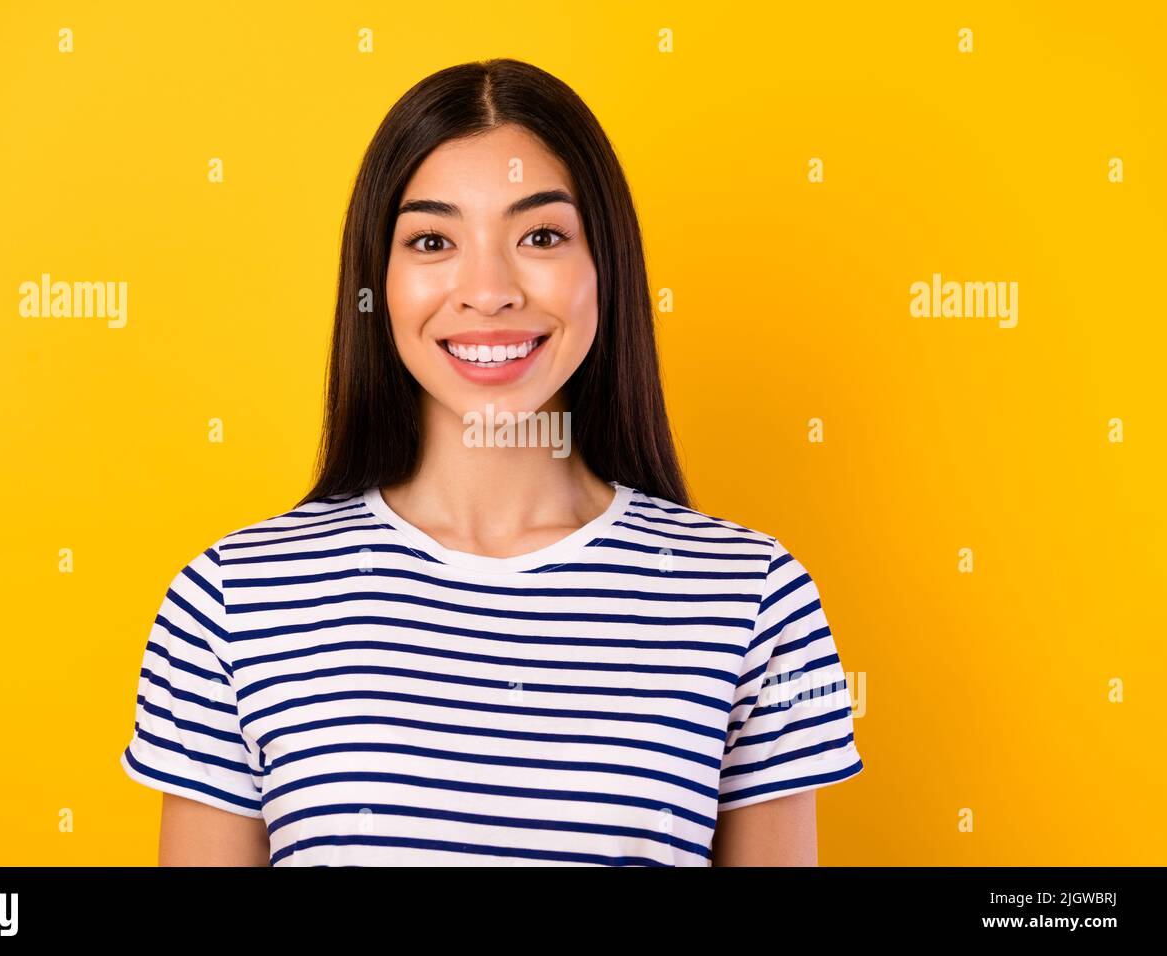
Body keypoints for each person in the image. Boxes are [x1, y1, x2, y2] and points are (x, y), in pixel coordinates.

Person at [119, 57, 863, 866]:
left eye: (540, 235)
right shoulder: (231, 603)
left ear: (604, 267)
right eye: (433, 240)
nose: (488, 289)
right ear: (379, 282)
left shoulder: (753, 599)